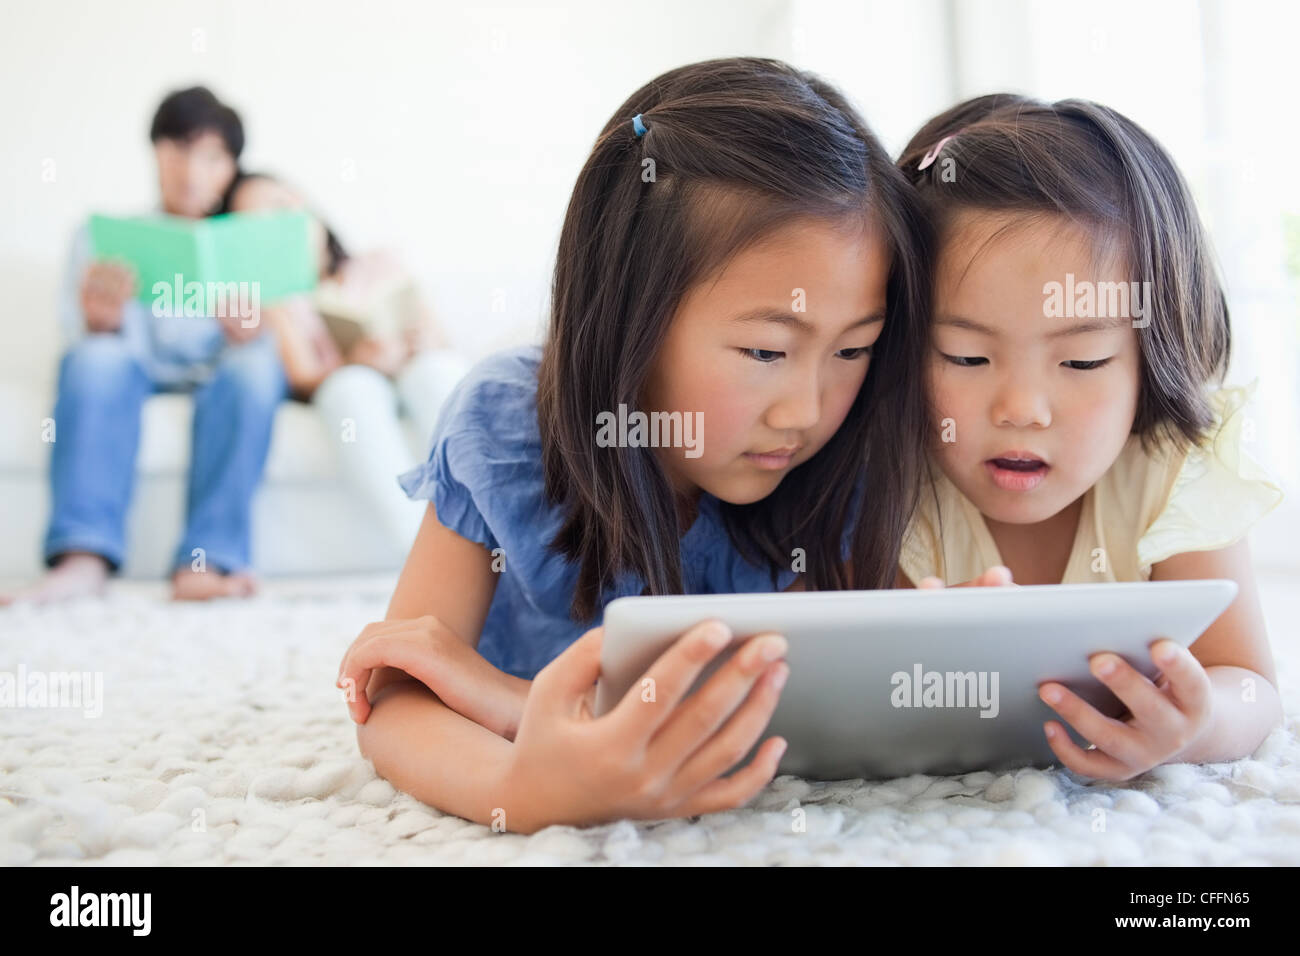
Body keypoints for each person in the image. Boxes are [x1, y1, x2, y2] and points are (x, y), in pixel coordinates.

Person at [336, 57, 933, 832]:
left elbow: (790, 716)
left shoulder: (845, 455)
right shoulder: (507, 423)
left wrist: (512, 703)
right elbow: (394, 698)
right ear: (631, 321)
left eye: (853, 350)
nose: (806, 411)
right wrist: (524, 793)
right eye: (765, 353)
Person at [896, 94, 1285, 778]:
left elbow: (1249, 682)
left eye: (1081, 362)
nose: (1023, 410)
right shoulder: (895, 485)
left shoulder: (1172, 472)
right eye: (964, 357)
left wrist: (1198, 725)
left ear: (1152, 357)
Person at [1, 87, 287, 604]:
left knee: (257, 367)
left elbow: (269, 350)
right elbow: (82, 341)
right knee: (95, 357)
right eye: (177, 148)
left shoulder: (247, 249)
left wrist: (249, 333)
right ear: (155, 151)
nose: (191, 169)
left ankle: (205, 563)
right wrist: (101, 324)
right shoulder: (100, 239)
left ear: (230, 169)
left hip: (218, 375)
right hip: (127, 366)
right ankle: (82, 560)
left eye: (211, 155)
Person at [219, 171, 470, 557]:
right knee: (352, 388)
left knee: (437, 372)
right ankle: (424, 558)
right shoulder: (275, 300)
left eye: (283, 208)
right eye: (258, 226)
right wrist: (358, 361)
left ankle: (493, 531)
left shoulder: (380, 264)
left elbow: (441, 338)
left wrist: (419, 341)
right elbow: (302, 376)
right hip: (350, 381)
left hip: (412, 367)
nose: (280, 227)